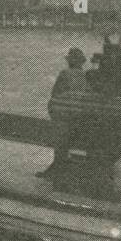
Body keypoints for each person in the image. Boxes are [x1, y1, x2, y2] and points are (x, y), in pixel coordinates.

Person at [39, 47, 90, 178]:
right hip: (78, 117)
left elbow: (55, 93)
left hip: (64, 116)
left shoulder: (65, 74)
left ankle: (57, 168)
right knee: (65, 141)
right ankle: (59, 168)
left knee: (60, 143)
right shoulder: (86, 76)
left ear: (70, 61)